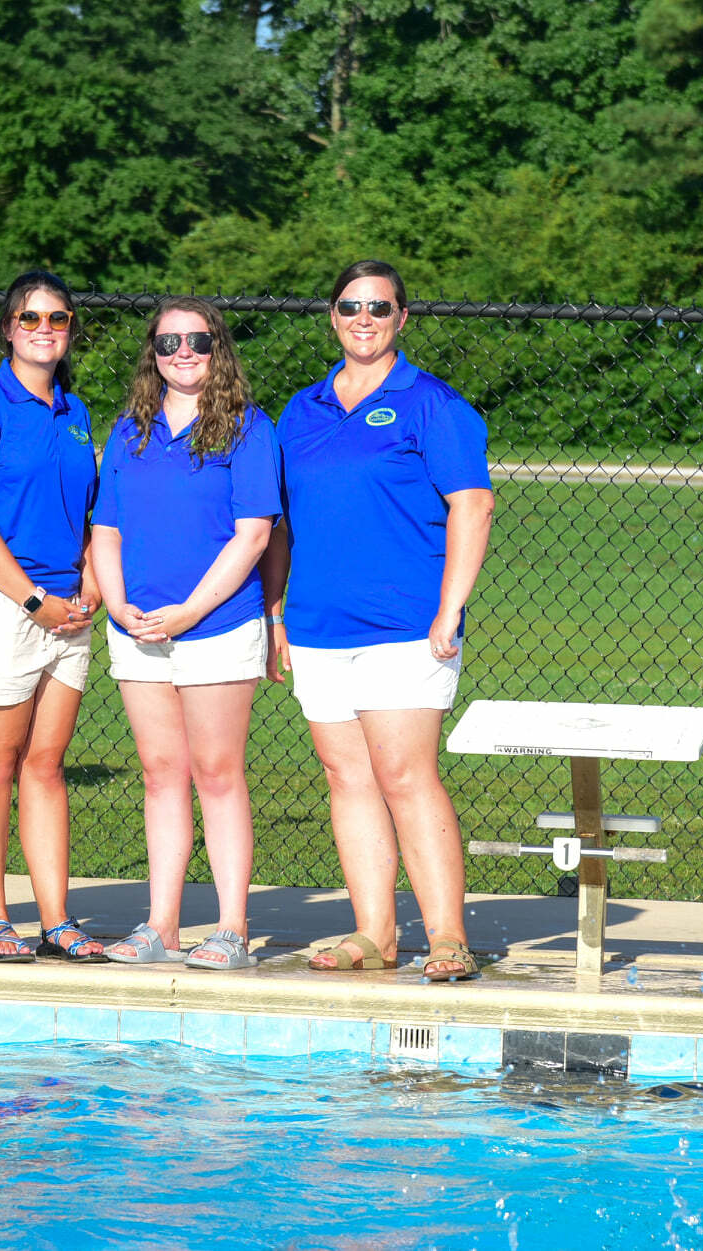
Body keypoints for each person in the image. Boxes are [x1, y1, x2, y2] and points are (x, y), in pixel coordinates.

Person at [261, 260, 496, 982]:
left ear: (402, 318)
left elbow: (473, 505)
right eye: (350, 305)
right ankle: (376, 931)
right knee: (348, 777)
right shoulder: (300, 411)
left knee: (405, 774)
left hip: (405, 626)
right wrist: (275, 613)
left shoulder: (433, 404)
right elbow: (281, 525)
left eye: (380, 307)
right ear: (331, 315)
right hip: (317, 626)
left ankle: (448, 935)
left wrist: (450, 606)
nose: (364, 318)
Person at [90, 298, 280, 971]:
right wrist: (117, 603)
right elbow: (106, 528)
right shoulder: (129, 432)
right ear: (153, 352)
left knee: (217, 773)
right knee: (161, 772)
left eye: (197, 340)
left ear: (218, 346)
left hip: (217, 625)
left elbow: (253, 534)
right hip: (139, 628)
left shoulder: (250, 429)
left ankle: (231, 927)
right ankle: (161, 926)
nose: (183, 353)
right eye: (169, 343)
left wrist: (190, 612)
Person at [0, 270, 106, 963]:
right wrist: (34, 600)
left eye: (58, 319)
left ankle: (57, 919)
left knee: (45, 765)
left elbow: (89, 515)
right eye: (31, 319)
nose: (45, 330)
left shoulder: (76, 412)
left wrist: (88, 586)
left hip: (68, 607)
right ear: (8, 328)